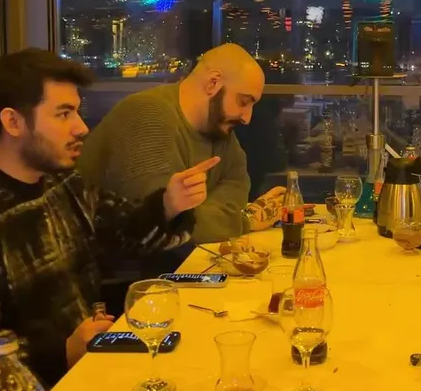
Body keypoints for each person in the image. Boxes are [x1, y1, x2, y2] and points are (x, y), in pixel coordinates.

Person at [0, 48, 213, 388]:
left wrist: (169, 205)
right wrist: (60, 353)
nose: (81, 128)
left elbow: (126, 233)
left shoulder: (61, 179)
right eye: (63, 114)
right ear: (12, 122)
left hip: (93, 364)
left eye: (77, 112)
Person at [78, 43, 285, 243]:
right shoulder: (148, 115)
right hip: (112, 263)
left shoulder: (218, 128)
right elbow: (160, 231)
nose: (247, 118)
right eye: (243, 102)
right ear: (213, 83)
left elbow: (236, 188)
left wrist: (203, 218)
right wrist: (246, 220)